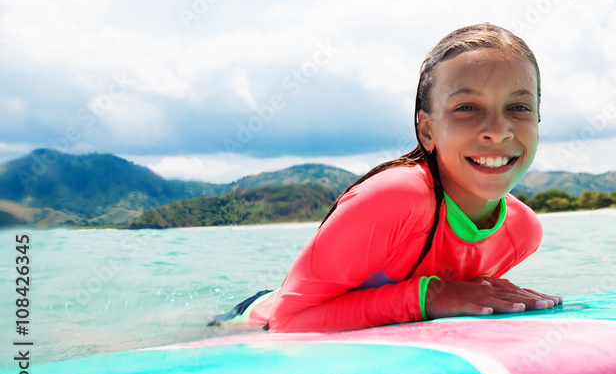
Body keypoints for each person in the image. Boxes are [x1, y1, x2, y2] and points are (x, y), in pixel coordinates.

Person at [209, 23, 561, 332]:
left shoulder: (521, 232)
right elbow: (289, 319)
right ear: (427, 130)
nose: (498, 131)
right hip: (252, 323)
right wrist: (430, 296)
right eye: (466, 108)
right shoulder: (395, 197)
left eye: (519, 107)